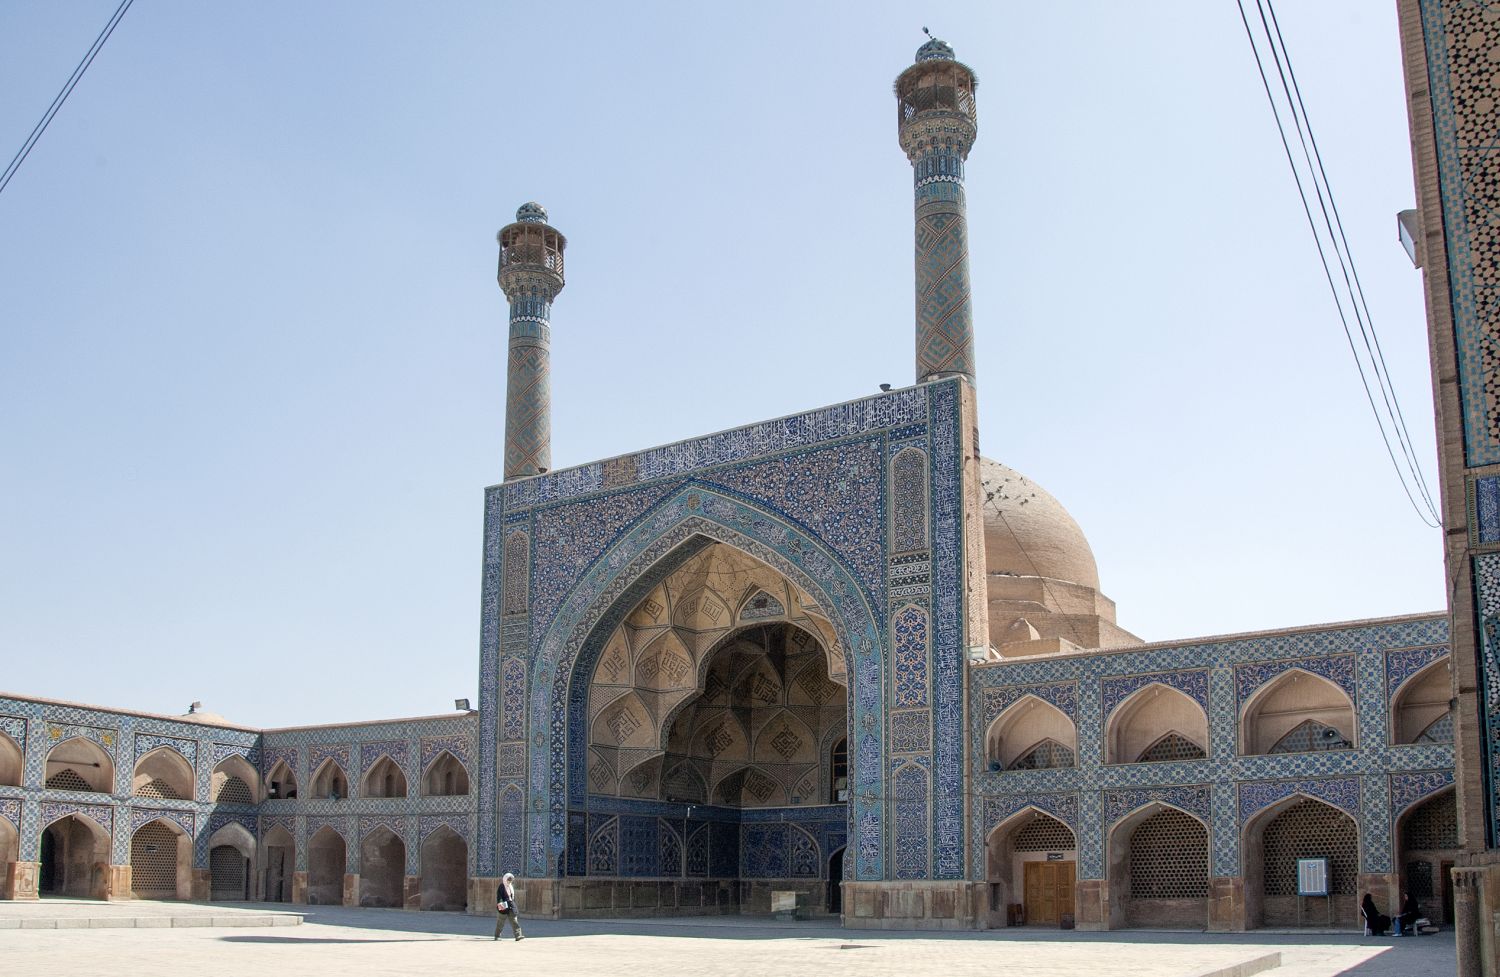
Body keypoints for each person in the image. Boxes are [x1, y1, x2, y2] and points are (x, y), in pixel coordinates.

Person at [494, 872, 524, 942]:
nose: (510, 881)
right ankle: (497, 936)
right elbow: (499, 896)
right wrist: (501, 904)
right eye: (509, 880)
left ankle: (518, 935)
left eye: (511, 880)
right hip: (503, 906)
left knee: (514, 921)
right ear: (505, 879)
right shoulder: (501, 886)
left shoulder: (510, 886)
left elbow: (511, 897)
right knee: (500, 922)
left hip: (510, 905)